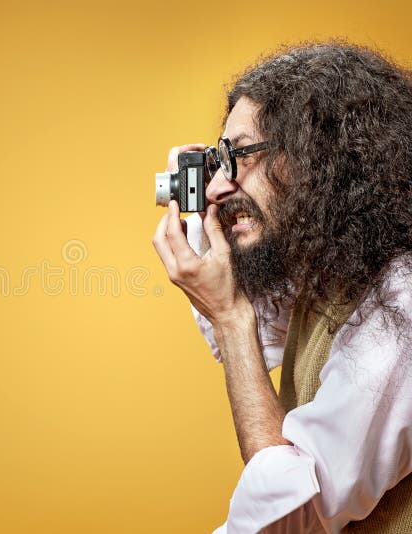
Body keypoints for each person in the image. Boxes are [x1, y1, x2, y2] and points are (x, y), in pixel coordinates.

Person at [152, 42, 412, 533]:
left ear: (321, 156)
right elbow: (255, 341)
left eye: (239, 155)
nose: (214, 188)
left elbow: (295, 518)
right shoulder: (332, 268)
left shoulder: (403, 299)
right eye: (216, 161)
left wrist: (230, 316)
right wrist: (197, 220)